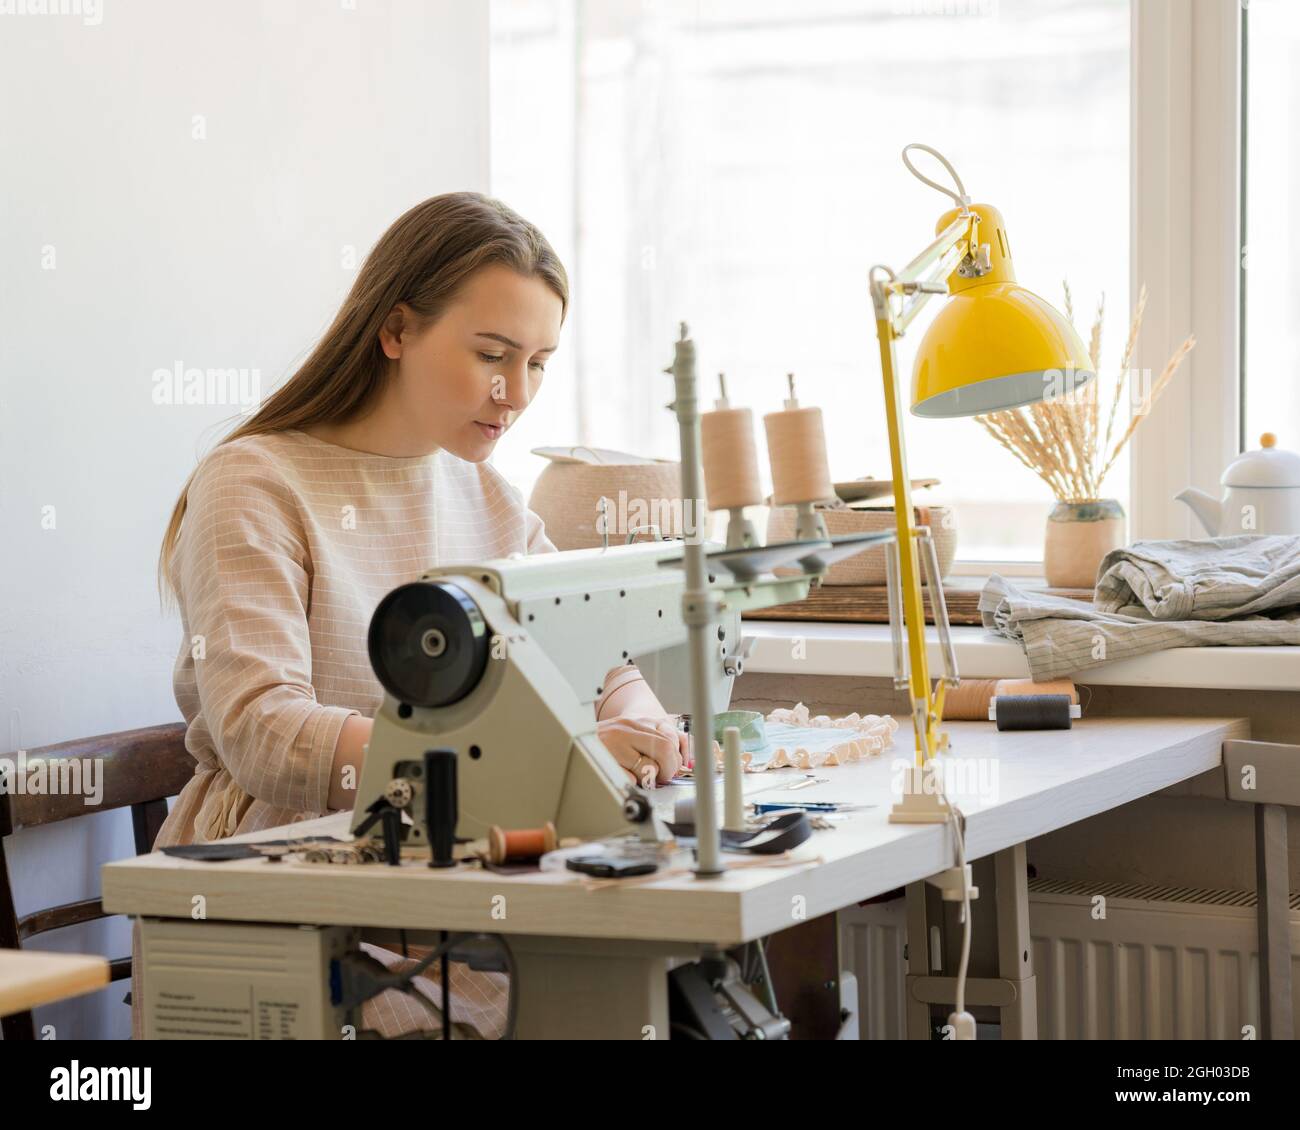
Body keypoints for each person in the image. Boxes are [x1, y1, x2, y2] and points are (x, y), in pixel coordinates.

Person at [146, 192, 688, 1038]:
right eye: (491, 354)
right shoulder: (254, 484)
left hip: (452, 869)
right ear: (395, 329)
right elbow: (263, 732)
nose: (516, 393)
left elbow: (591, 649)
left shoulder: (483, 496)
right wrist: (535, 761)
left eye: (540, 362)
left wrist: (638, 719)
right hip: (291, 881)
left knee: (657, 984)